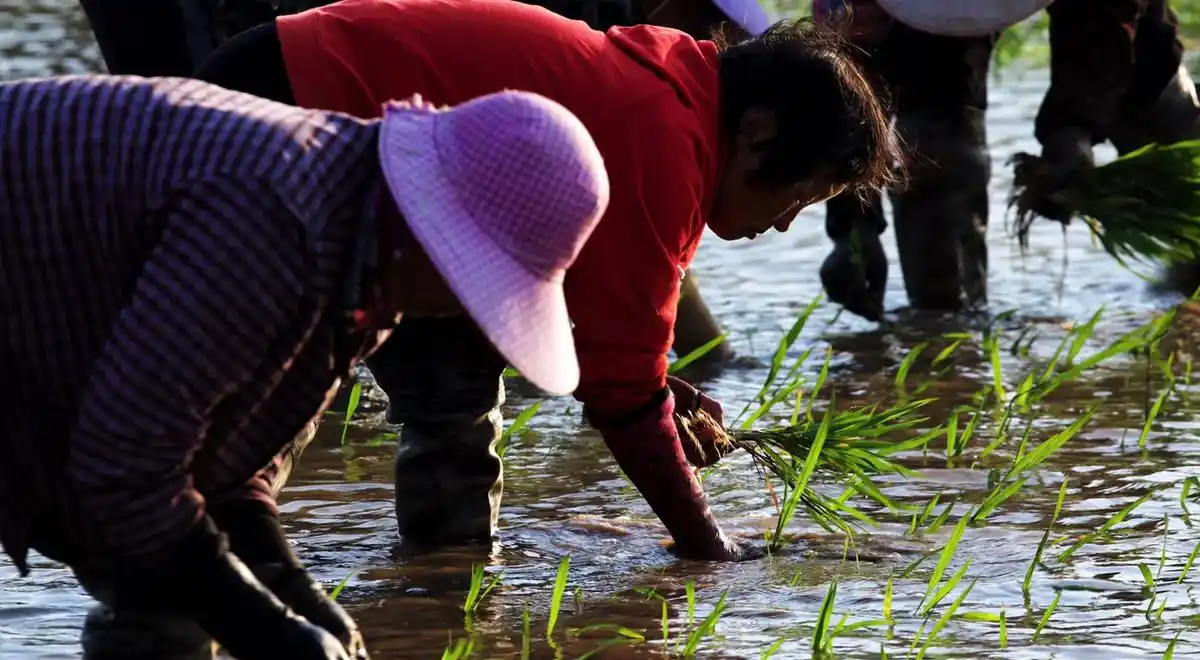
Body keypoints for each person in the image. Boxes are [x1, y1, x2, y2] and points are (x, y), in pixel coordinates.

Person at [0, 75, 610, 660]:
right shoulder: (271, 227)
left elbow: (223, 471)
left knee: (172, 581)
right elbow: (123, 469)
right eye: (480, 281)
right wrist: (264, 634)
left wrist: (295, 596)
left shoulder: (365, 268)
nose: (473, 309)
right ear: (433, 227)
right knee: (167, 572)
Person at [191, 0, 899, 563]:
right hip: (296, 111)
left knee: (452, 382)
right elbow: (620, 393)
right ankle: (241, 573)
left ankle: (433, 595)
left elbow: (606, 351)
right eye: (799, 197)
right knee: (291, 400)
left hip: (318, 101)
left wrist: (655, 391)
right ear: (759, 131)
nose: (781, 226)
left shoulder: (676, 96)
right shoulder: (663, 139)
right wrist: (709, 547)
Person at [76, 0, 771, 369]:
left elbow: (614, 290)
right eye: (712, 21)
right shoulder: (658, 110)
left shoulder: (659, 89)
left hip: (360, 137)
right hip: (305, 109)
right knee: (435, 379)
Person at [812, 0, 1196, 321]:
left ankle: (1191, 276)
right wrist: (852, 227)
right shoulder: (857, 7)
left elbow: (1105, 27)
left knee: (1151, 96)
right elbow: (846, 87)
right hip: (914, 15)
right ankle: (948, 333)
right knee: (937, 152)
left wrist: (1072, 129)